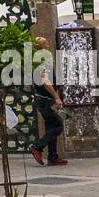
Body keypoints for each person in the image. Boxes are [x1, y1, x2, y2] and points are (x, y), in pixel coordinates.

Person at [29, 36, 67, 166]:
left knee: (51, 126)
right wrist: (56, 96)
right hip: (46, 99)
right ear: (41, 47)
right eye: (45, 42)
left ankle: (53, 156)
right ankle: (37, 147)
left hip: (43, 98)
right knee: (58, 125)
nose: (48, 44)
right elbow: (45, 81)